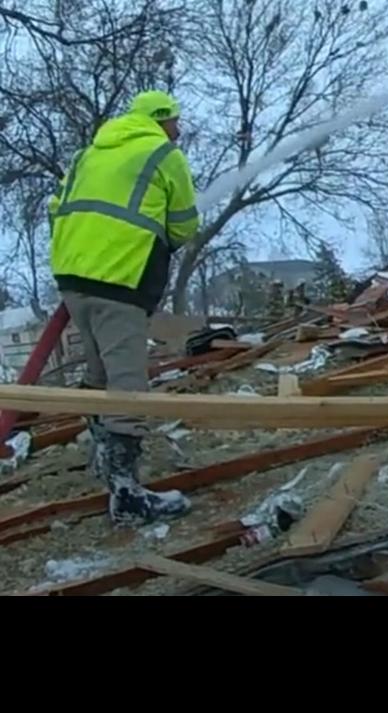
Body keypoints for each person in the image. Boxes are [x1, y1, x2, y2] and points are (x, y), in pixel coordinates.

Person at [48, 90, 199, 526]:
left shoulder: (89, 154)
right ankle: (127, 494)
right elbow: (184, 226)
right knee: (127, 383)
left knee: (99, 374)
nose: (179, 130)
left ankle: (105, 463)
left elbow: (58, 208)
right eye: (175, 121)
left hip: (73, 277)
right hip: (121, 279)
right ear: (162, 120)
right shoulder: (163, 154)